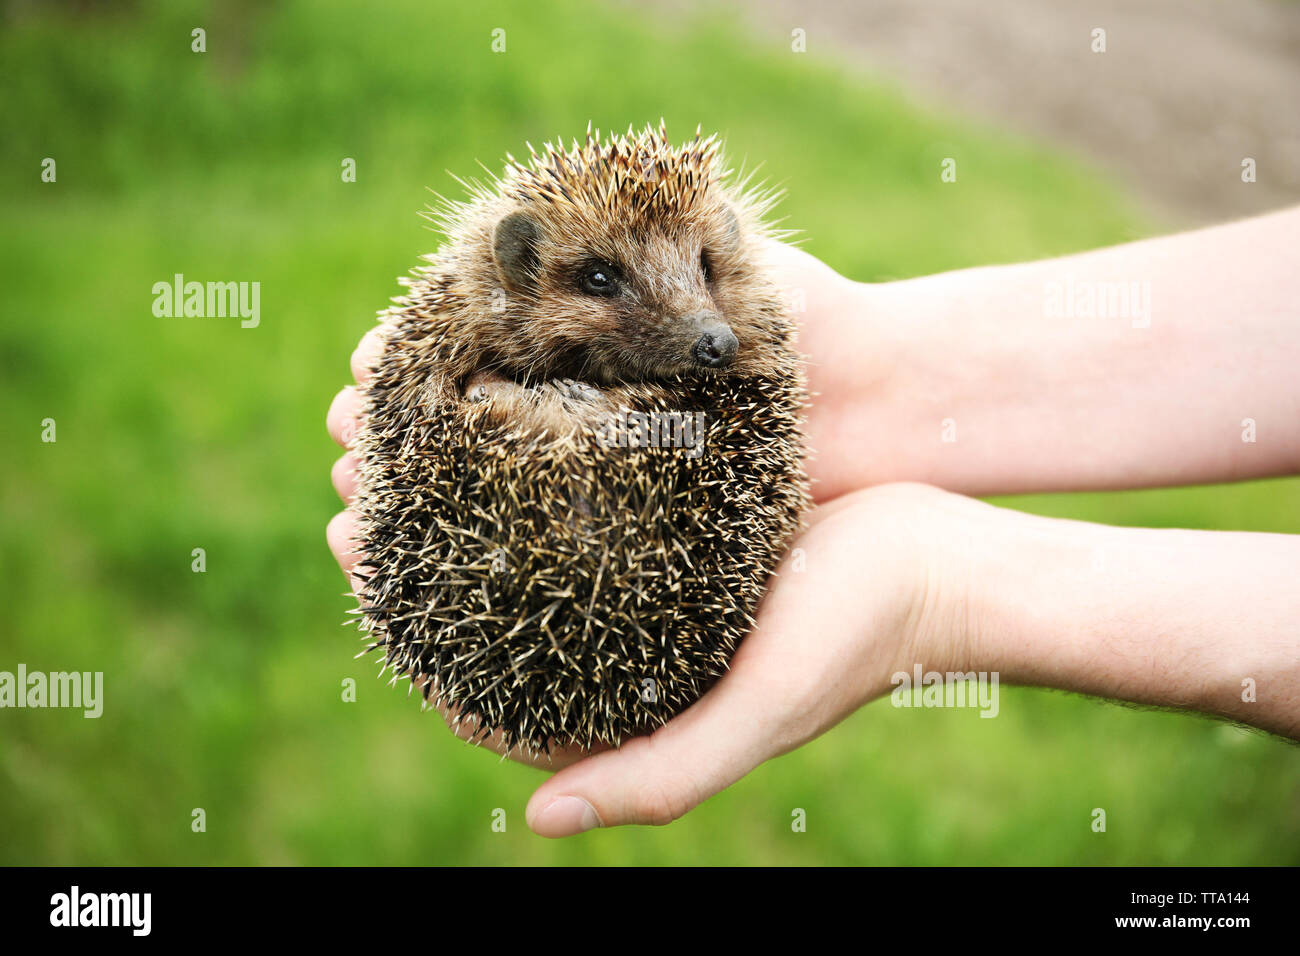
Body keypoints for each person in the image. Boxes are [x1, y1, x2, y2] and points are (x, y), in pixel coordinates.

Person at [326, 206, 1300, 838]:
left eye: (704, 272)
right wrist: (898, 364)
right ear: (518, 268)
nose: (701, 323)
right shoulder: (476, 340)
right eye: (604, 282)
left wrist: (940, 587)